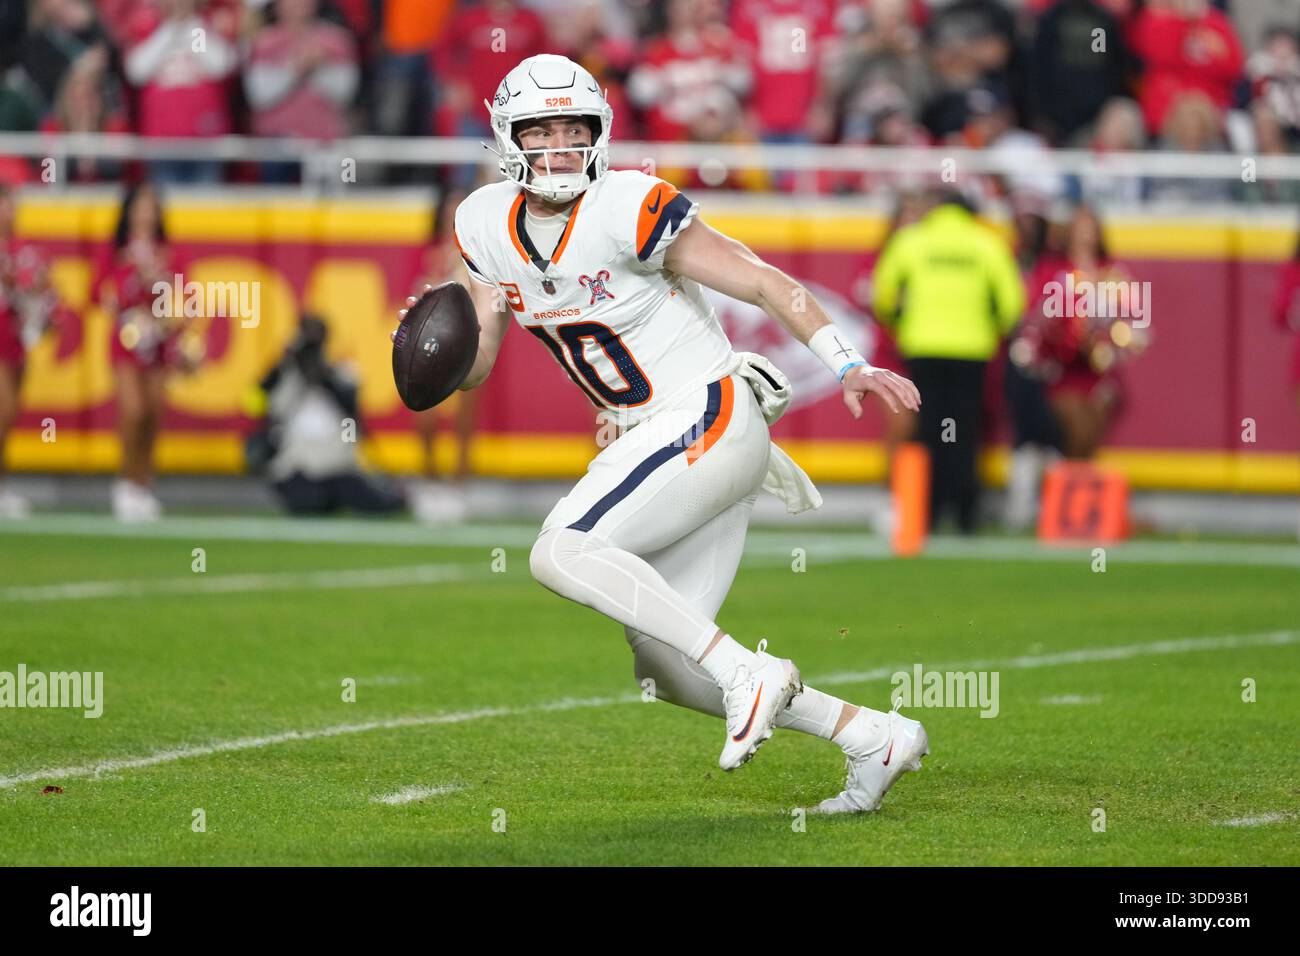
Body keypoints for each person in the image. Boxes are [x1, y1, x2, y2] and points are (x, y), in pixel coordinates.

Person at [403, 54, 926, 815]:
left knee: (561, 549)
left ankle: (751, 672)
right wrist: (433, 355)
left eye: (573, 129)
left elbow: (758, 278)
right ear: (509, 138)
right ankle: (873, 736)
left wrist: (844, 361)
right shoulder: (482, 224)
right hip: (661, 442)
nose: (559, 147)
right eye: (541, 131)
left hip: (709, 412)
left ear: (599, 134)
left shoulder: (626, 204)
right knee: (668, 670)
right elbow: (480, 361)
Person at [872, 190, 1025, 534]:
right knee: (964, 431)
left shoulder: (912, 240)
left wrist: (901, 323)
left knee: (930, 431)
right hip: (972, 351)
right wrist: (992, 328)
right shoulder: (987, 242)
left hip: (922, 348)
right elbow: (1012, 303)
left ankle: (927, 510)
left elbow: (883, 294)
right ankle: (966, 515)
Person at [97, 182, 199, 522]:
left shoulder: (169, 253)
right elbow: (100, 293)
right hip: (127, 341)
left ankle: (143, 482)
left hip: (158, 343)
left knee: (154, 413)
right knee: (133, 410)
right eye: (140, 206)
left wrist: (160, 284)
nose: (146, 214)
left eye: (151, 207)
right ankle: (125, 481)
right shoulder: (117, 250)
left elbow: (185, 300)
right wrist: (128, 287)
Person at [257, 314, 405, 517]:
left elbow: (351, 411)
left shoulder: (341, 373)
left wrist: (324, 376)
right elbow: (257, 399)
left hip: (338, 466)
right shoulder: (286, 376)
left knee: (380, 505)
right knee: (307, 502)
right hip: (297, 465)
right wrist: (284, 362)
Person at [0, 184, 71, 518]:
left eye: (11, 205)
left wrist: (45, 311)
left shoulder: (25, 249)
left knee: (11, 413)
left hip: (16, 340)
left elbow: (46, 293)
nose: (9, 212)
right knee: (3, 410)